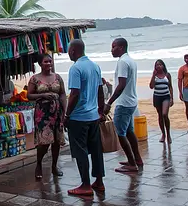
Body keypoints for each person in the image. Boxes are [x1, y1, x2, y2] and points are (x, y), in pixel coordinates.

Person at [62, 39, 105, 197]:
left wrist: (67, 115)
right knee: (96, 150)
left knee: (80, 151)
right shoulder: (95, 66)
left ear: (73, 51)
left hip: (79, 117)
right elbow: (100, 90)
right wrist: (101, 111)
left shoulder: (75, 68)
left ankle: (85, 185)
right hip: (93, 116)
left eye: (68, 51)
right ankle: (99, 182)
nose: (68, 54)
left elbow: (74, 94)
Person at [103, 37, 143, 173]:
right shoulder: (130, 60)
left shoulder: (123, 62)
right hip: (131, 101)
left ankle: (132, 163)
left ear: (120, 47)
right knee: (130, 131)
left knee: (120, 133)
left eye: (113, 47)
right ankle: (137, 158)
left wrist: (109, 102)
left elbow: (121, 85)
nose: (111, 50)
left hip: (124, 103)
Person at [27, 54, 66, 180]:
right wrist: (43, 95)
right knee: (44, 142)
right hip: (42, 114)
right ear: (40, 64)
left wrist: (64, 111)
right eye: (46, 62)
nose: (49, 64)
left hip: (57, 113)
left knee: (56, 141)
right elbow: (29, 96)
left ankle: (54, 166)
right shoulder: (35, 79)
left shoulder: (58, 77)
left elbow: (62, 94)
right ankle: (38, 164)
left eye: (50, 61)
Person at [150, 60, 174, 144]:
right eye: (157, 65)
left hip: (166, 97)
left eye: (160, 65)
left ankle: (168, 134)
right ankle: (163, 134)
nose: (158, 66)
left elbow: (170, 86)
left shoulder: (167, 75)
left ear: (163, 66)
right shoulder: (155, 75)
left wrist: (172, 98)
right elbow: (151, 86)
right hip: (157, 97)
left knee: (164, 114)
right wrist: (153, 75)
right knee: (160, 115)